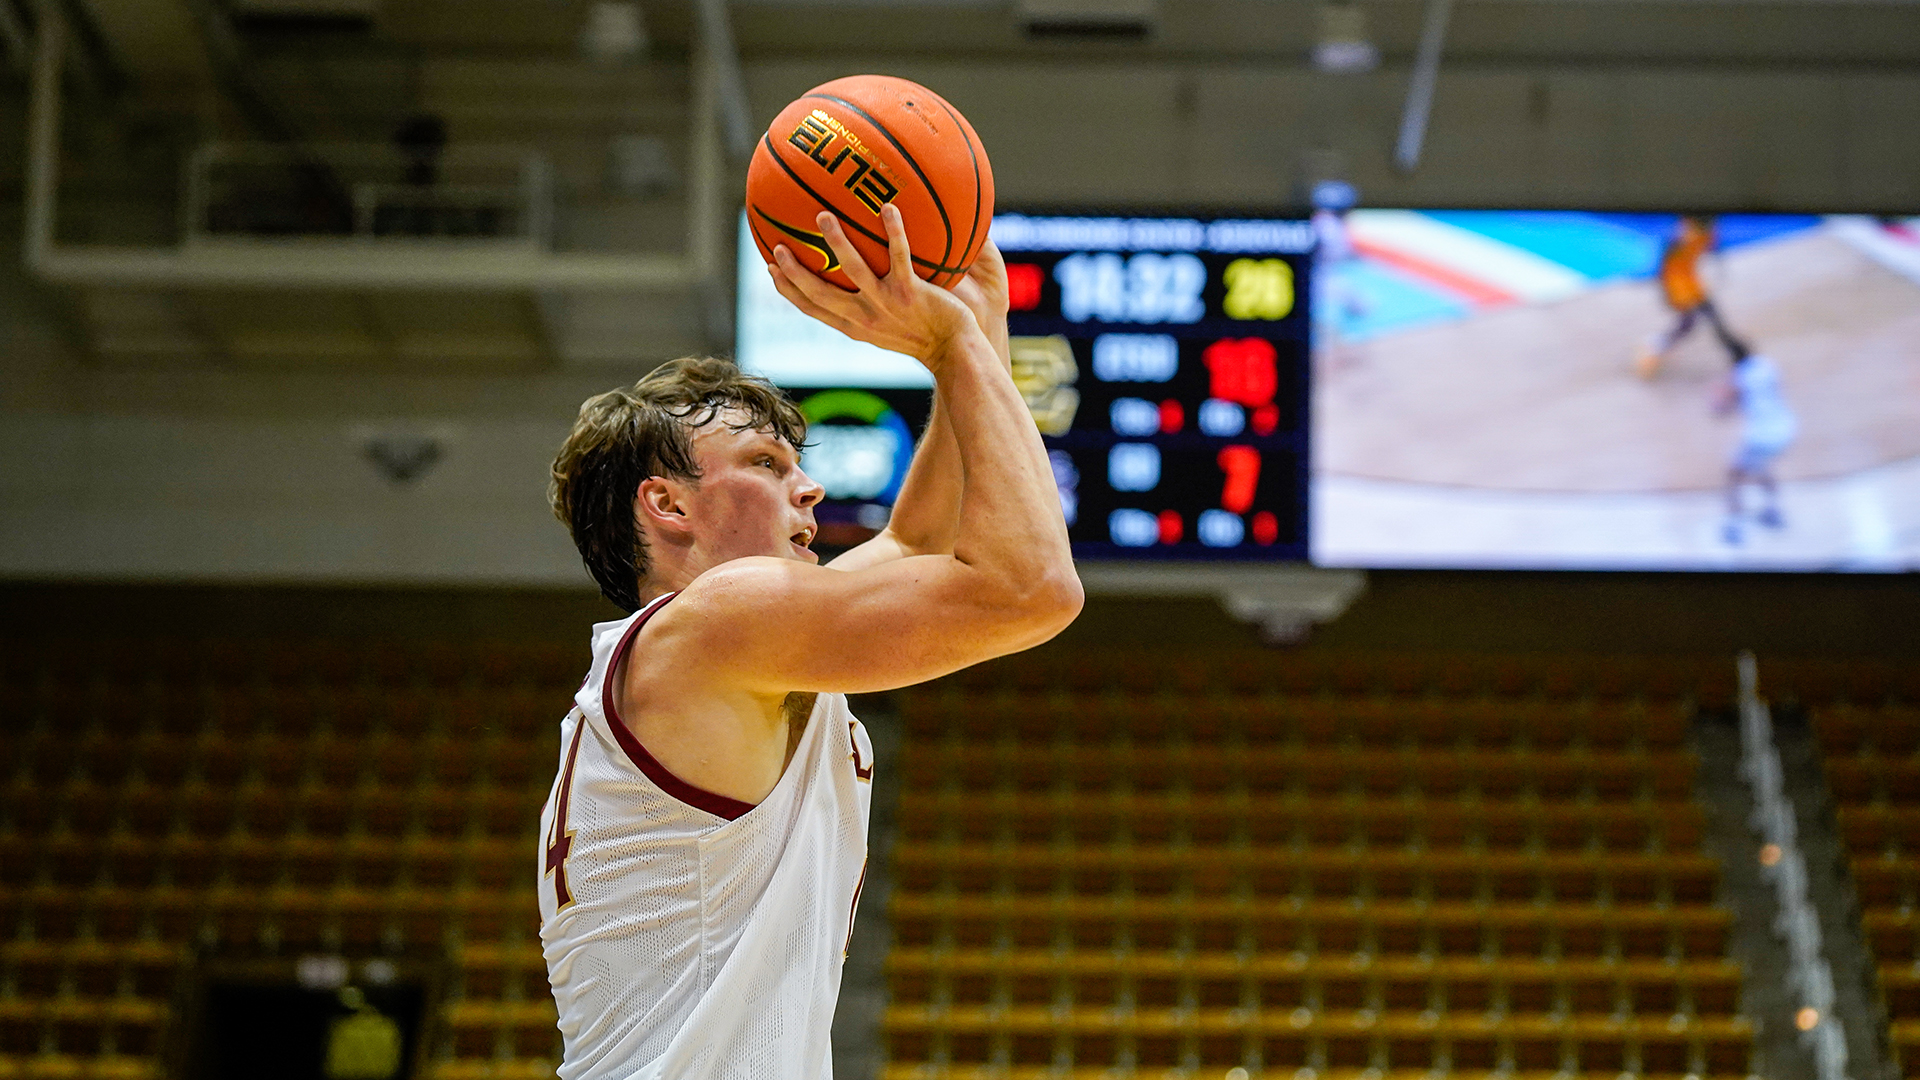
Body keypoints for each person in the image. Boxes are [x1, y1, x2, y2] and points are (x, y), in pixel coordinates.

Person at [537, 203, 1082, 1080]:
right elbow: (1033, 590)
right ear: (666, 505)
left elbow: (916, 546)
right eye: (765, 464)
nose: (812, 488)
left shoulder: (708, 642)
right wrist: (950, 351)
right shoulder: (721, 622)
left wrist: (979, 329)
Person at [1636, 215, 1747, 379]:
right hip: (1676, 283)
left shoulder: (1707, 230)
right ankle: (1654, 346)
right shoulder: (1685, 232)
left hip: (1691, 280)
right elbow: (1666, 256)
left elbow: (1711, 247)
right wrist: (1664, 288)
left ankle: (1740, 357)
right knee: (1694, 322)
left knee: (1702, 321)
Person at [1714, 342, 1797, 545]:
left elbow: (1721, 410)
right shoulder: (1766, 364)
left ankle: (1734, 527)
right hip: (1785, 428)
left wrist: (1714, 401)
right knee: (1762, 468)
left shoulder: (1738, 377)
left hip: (1760, 436)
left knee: (1734, 476)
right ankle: (1773, 511)